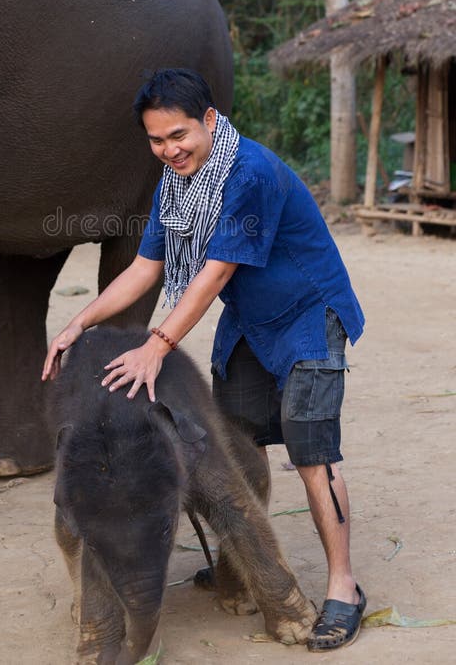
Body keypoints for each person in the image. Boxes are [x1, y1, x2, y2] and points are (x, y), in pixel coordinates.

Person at [43, 68, 366, 652]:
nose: (169, 149)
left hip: (307, 316)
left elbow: (214, 274)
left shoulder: (250, 174)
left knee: (312, 452)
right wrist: (78, 322)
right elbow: (146, 267)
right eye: (157, 140)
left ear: (210, 121)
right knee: (234, 444)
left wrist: (156, 345)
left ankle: (343, 588)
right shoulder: (177, 183)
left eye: (179, 135)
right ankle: (237, 569)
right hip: (249, 322)